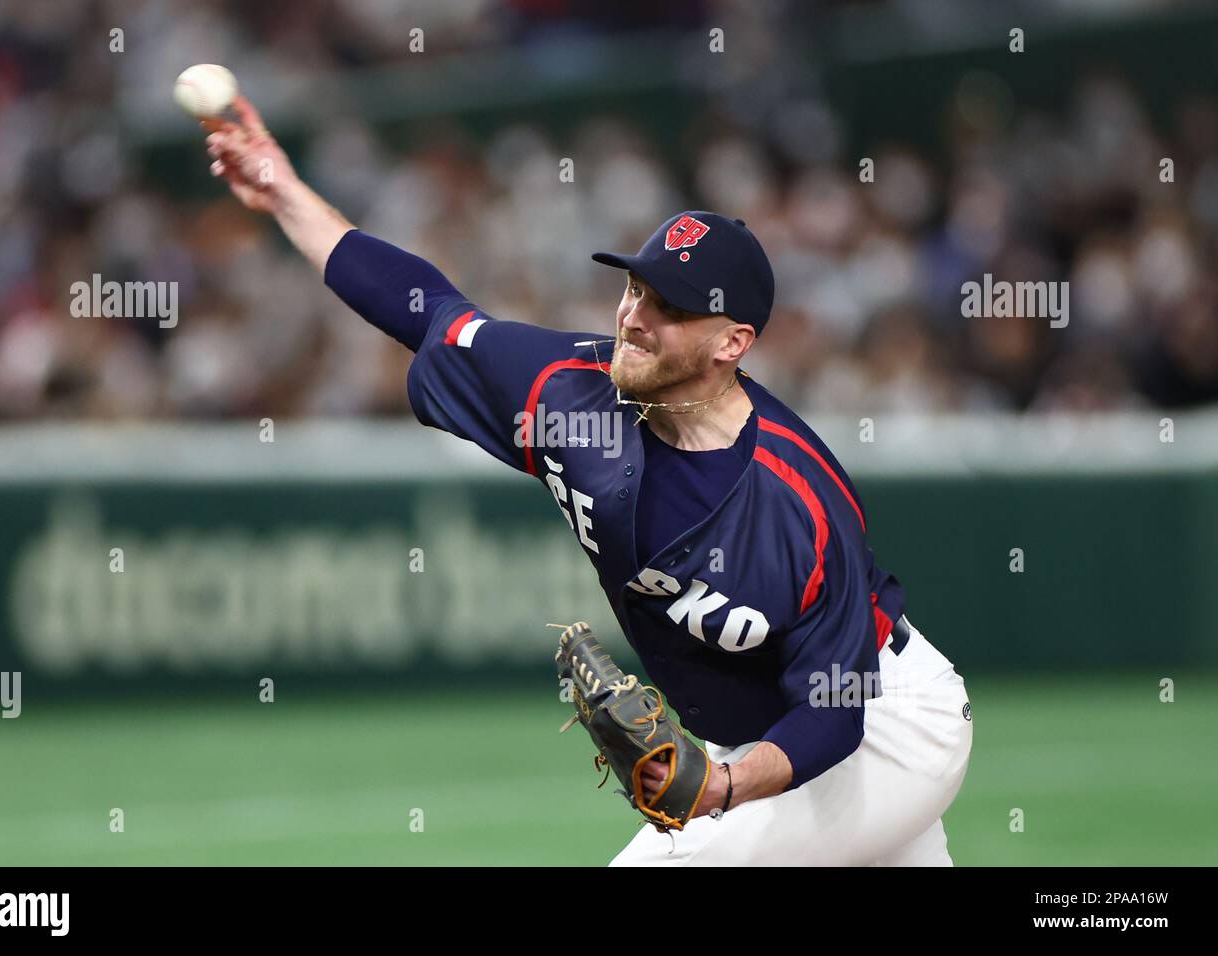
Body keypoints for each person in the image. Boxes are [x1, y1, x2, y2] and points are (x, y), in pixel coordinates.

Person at [201, 96, 973, 866]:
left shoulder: (792, 499)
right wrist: (281, 191)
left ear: (732, 342)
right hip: (764, 738)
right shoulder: (565, 391)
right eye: (636, 287)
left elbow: (834, 715)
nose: (635, 315)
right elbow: (425, 309)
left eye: (669, 306)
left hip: (882, 726)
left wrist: (724, 787)